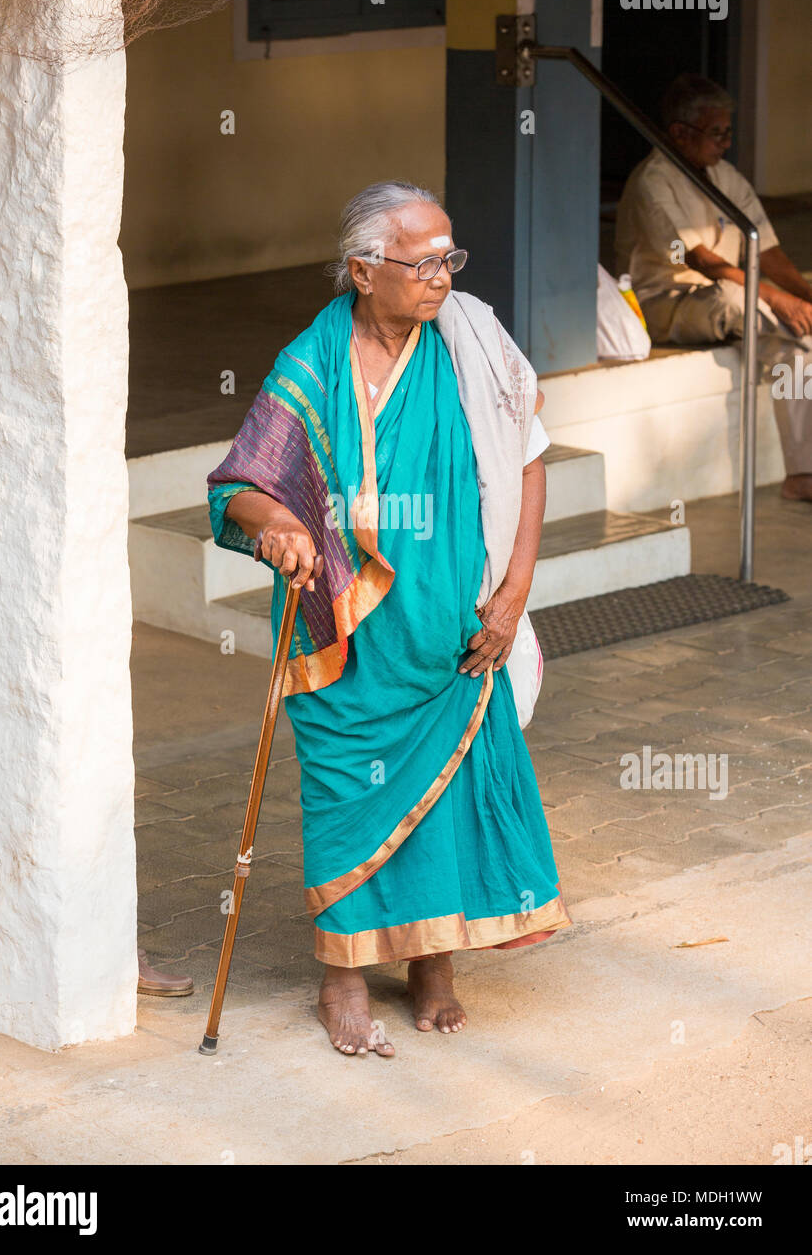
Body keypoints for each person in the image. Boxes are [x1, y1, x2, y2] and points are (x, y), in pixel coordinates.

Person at [207, 181, 571, 1059]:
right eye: (423, 261)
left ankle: (431, 964)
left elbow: (528, 457)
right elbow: (238, 488)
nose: (444, 276)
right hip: (344, 633)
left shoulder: (471, 343)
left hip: (453, 625)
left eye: (451, 256)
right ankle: (342, 977)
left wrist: (517, 585)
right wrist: (282, 524)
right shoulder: (312, 361)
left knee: (445, 796)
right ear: (364, 271)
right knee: (346, 793)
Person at [616, 73, 812, 502]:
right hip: (661, 305)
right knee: (742, 299)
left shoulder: (725, 176)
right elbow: (701, 260)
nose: (725, 143)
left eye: (728, 133)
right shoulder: (653, 180)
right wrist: (777, 298)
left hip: (724, 300)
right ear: (680, 134)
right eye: (716, 133)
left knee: (795, 344)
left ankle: (802, 474)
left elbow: (769, 250)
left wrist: (805, 297)